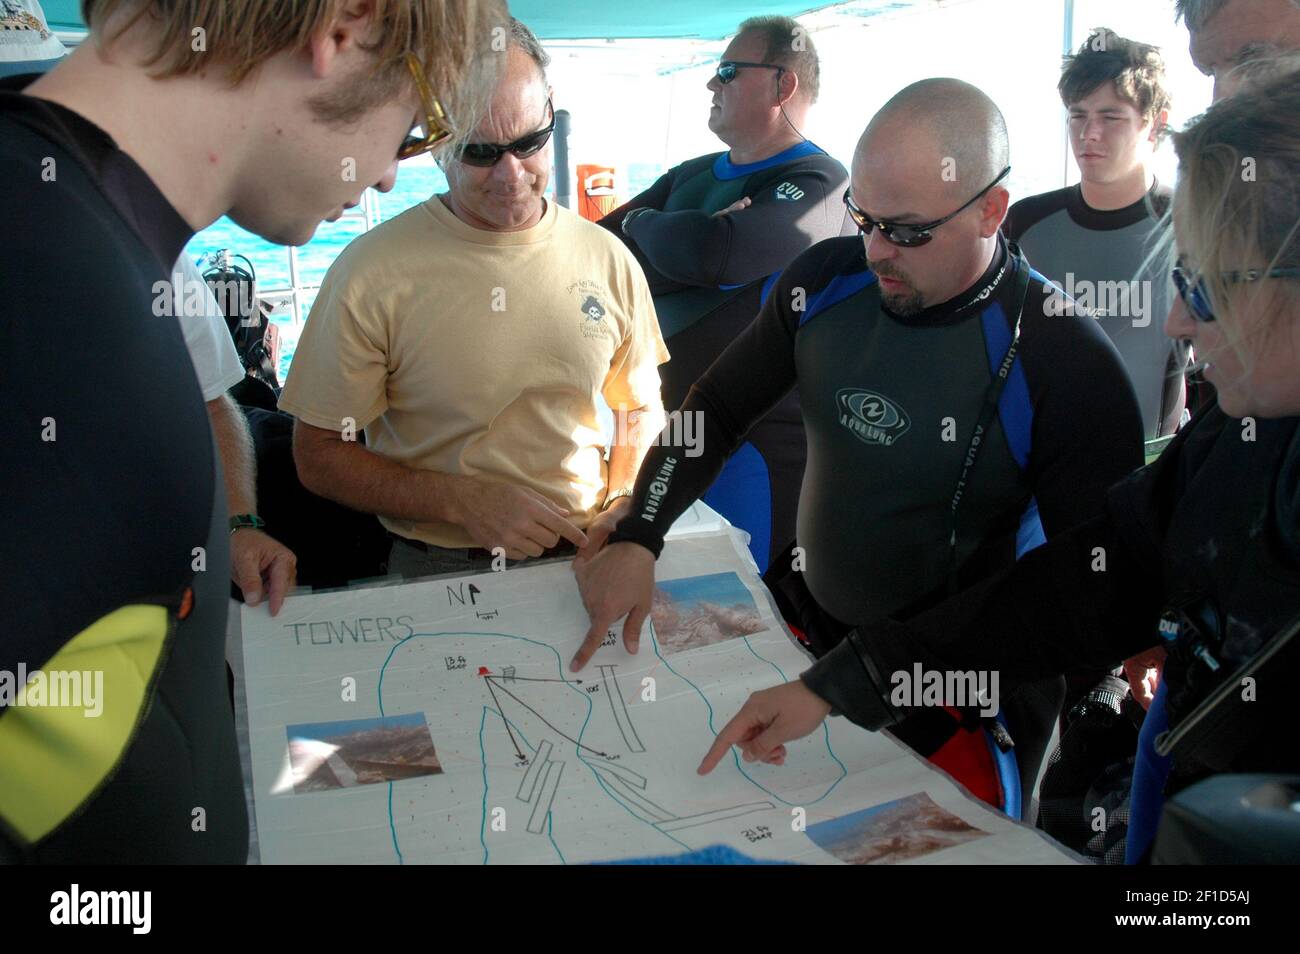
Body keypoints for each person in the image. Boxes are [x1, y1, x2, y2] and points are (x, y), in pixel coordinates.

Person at [697, 68, 1300, 864]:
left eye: (1208, 288)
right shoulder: (1237, 437)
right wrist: (841, 682)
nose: (1180, 321)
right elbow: (1094, 579)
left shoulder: (1068, 358)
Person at [0, 0, 501, 863]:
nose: (389, 176)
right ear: (343, 28)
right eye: (420, 124)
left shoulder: (91, 242)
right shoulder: (41, 265)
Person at [573, 78, 1144, 808]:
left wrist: (868, 679)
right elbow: (713, 410)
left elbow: (1089, 589)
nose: (875, 250)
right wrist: (641, 532)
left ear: (990, 211)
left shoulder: (1063, 359)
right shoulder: (826, 283)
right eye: (863, 217)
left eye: (906, 231)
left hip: (961, 687)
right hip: (816, 639)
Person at [283, 19, 669, 581]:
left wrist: (625, 503)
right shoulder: (371, 271)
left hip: (591, 550)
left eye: (530, 144)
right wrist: (460, 502)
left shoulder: (607, 257)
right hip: (439, 566)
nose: (511, 174)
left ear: (550, 113)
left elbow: (637, 408)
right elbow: (317, 455)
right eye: (480, 152)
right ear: (437, 140)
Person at [598, 15, 851, 572]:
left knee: (744, 621)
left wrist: (672, 237)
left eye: (728, 72)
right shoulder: (690, 175)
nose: (712, 85)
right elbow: (595, 253)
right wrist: (679, 235)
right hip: (662, 435)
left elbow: (717, 254)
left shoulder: (821, 184)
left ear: (784, 85)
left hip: (755, 451)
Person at [1005, 28, 1186, 443]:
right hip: (1044, 466)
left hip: (1152, 468)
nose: (1089, 134)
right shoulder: (1026, 222)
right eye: (1078, 115)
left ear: (1154, 125)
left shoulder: (1191, 225)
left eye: (1111, 117)